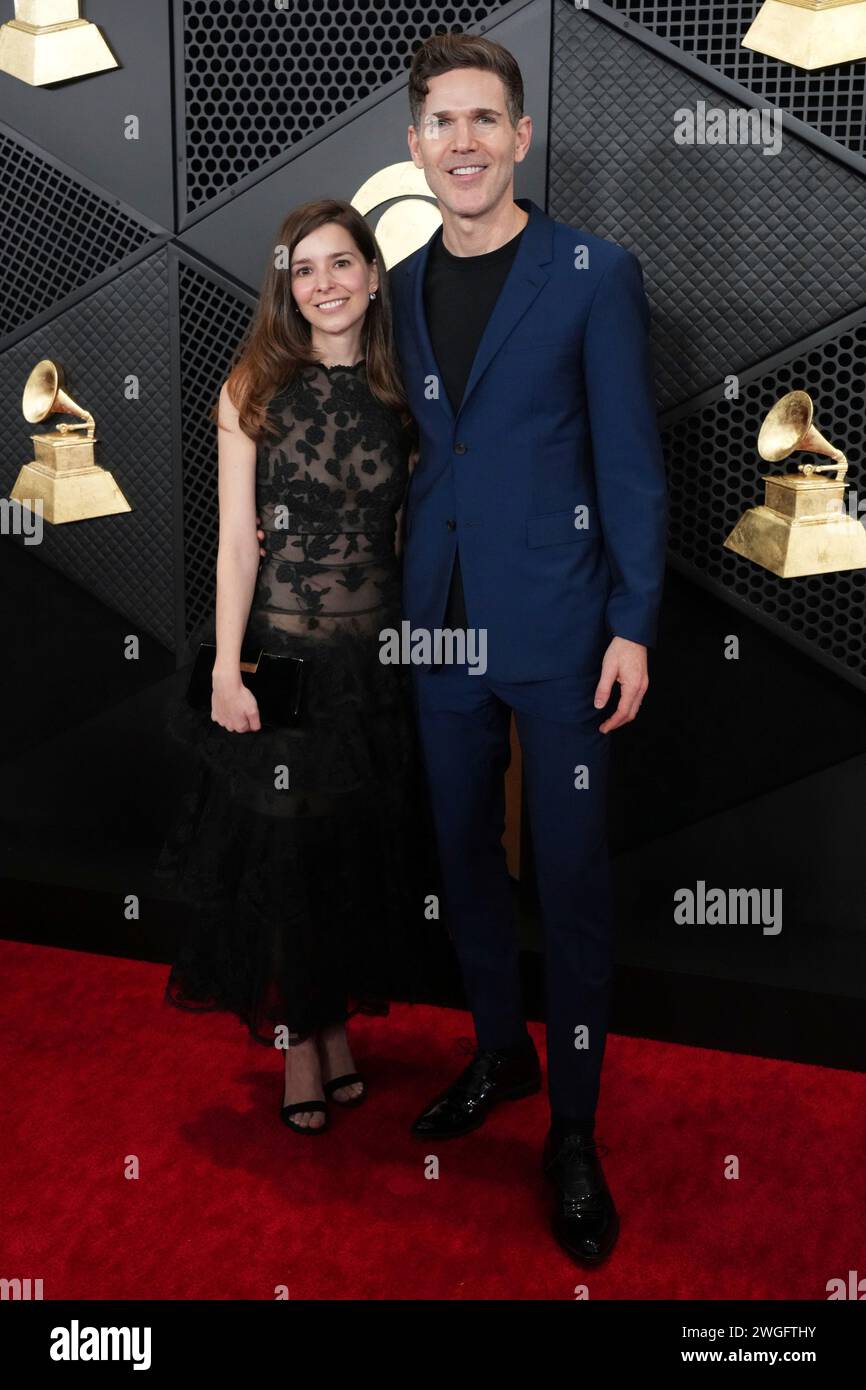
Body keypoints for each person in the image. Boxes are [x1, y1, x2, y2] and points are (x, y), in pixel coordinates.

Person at [387, 33, 667, 1264]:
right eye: (440, 122)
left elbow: (628, 464)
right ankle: (499, 1050)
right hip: (436, 623)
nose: (462, 142)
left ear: (519, 137)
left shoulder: (593, 272)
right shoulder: (397, 279)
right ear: (414, 144)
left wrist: (633, 621)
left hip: (561, 630)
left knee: (572, 883)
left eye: (482, 120)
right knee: (459, 855)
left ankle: (572, 1128)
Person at [155, 198, 433, 1135]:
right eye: (303, 269)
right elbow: (237, 545)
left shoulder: (403, 389)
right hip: (280, 659)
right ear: (286, 285)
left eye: (340, 264)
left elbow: (402, 536)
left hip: (373, 666)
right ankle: (299, 1047)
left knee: (348, 856)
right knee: (284, 856)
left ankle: (335, 1026)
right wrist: (228, 670)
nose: (323, 284)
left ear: (371, 274)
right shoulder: (253, 389)